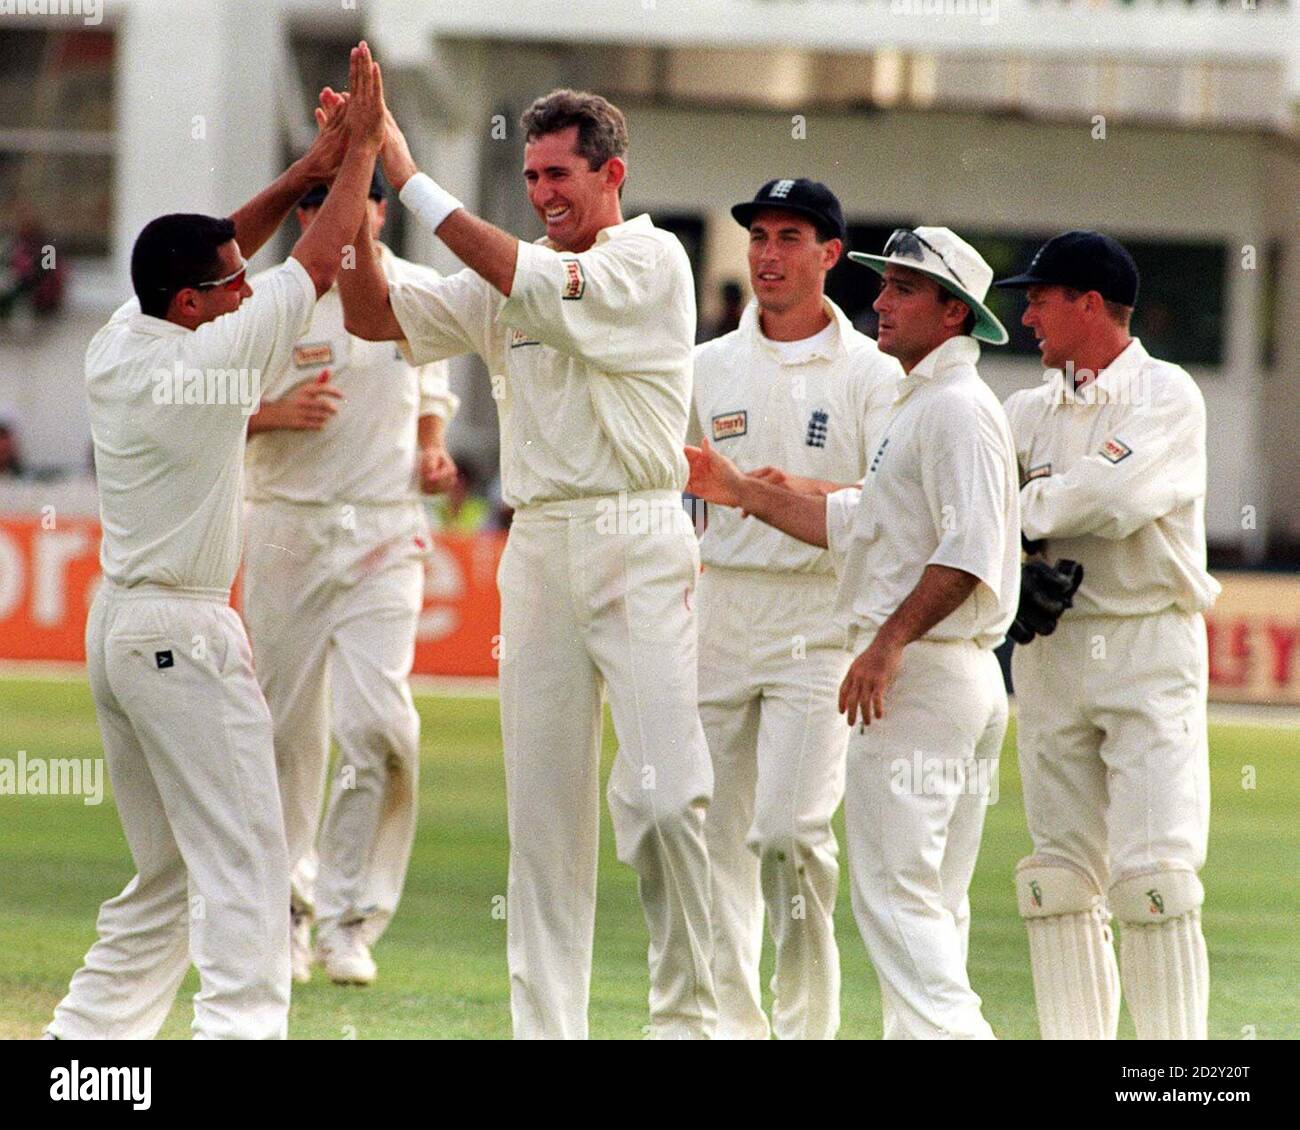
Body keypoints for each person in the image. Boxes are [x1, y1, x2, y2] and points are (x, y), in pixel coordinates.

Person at [337, 86, 716, 1039]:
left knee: (670, 803)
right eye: (532, 175)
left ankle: (691, 1023)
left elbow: (530, 284)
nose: (543, 192)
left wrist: (406, 173)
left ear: (610, 173)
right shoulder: (514, 275)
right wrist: (351, 170)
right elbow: (372, 312)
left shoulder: (651, 258)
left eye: (559, 174)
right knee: (544, 828)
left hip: (639, 538)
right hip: (540, 546)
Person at [44, 44, 385, 1040]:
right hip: (186, 632)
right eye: (229, 286)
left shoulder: (128, 337)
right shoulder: (218, 355)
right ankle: (240, 1031)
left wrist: (301, 171)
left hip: (120, 628)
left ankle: (87, 1043)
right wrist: (359, 151)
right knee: (245, 854)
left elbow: (207, 248)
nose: (247, 289)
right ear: (194, 305)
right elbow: (318, 263)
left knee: (173, 870)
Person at [686, 228, 1019, 1039]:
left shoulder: (954, 410)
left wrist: (884, 645)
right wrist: (743, 493)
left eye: (904, 289)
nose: (881, 301)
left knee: (895, 896)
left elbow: (967, 555)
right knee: (930, 900)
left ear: (953, 314)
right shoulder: (923, 404)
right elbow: (861, 520)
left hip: (925, 676)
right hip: (950, 677)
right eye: (885, 284)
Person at [994, 231, 1220, 1039]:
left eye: (1040, 299)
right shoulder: (1026, 409)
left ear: (1090, 304)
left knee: (1154, 877)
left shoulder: (1166, 394)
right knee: (1056, 879)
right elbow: (978, 496)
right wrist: (1011, 545)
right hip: (1051, 645)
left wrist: (1013, 517)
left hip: (1145, 644)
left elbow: (1113, 498)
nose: (1026, 319)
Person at [689, 178, 900, 1039]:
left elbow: (894, 503)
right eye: (759, 237)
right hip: (718, 611)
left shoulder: (872, 373)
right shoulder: (706, 366)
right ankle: (731, 1026)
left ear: (829, 255)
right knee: (706, 835)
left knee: (790, 834)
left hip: (820, 620)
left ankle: (806, 1026)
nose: (769, 254)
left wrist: (778, 494)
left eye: (789, 237)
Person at [243, 169, 460, 987]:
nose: (336, 217)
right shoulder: (272, 298)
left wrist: (432, 448)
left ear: (376, 209)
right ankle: (284, 920)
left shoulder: (414, 288)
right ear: (307, 214)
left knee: (380, 728)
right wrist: (272, 413)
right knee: (284, 737)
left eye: (356, 202)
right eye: (317, 203)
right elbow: (195, 401)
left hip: (382, 526)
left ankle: (349, 920)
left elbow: (431, 388)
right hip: (286, 527)